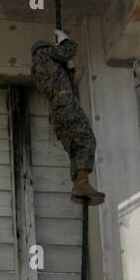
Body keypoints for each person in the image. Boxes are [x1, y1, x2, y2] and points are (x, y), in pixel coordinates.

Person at [30, 30, 105, 204]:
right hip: (65, 102)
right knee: (87, 140)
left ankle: (79, 186)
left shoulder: (36, 68)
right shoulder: (46, 54)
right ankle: (81, 182)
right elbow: (68, 51)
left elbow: (59, 77)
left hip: (56, 112)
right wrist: (65, 41)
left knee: (74, 149)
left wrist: (68, 70)